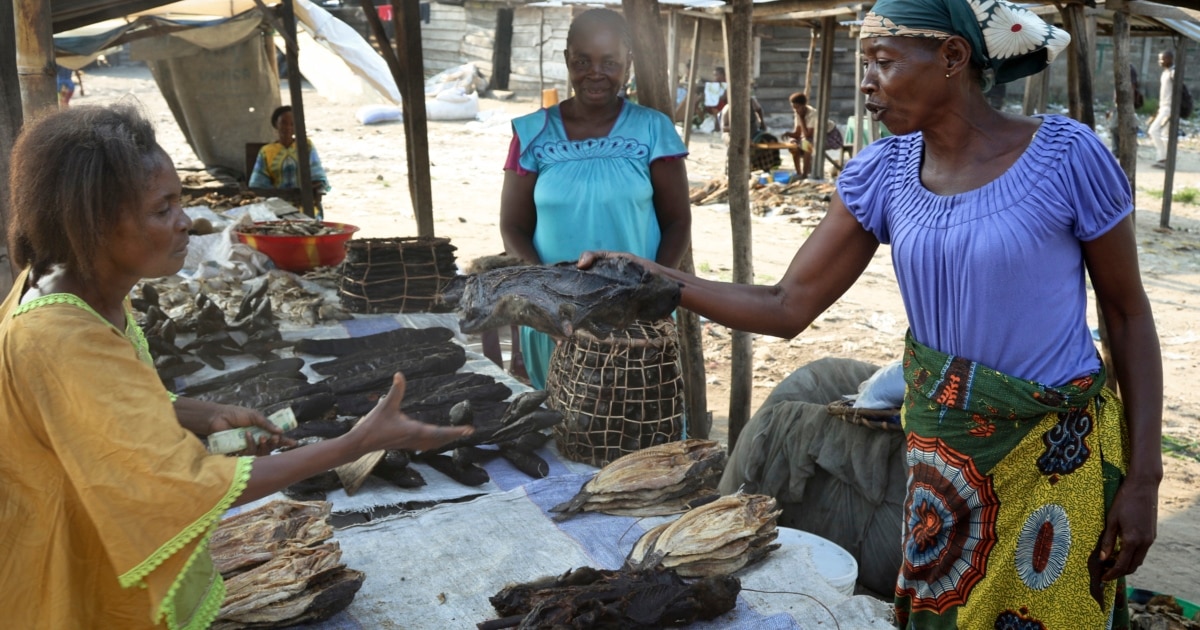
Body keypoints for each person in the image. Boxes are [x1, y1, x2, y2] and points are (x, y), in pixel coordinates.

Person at [581, 0, 1162, 626]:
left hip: (1057, 459)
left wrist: (1144, 480)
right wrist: (655, 277)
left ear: (952, 57)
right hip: (947, 465)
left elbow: (1127, 316)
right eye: (863, 64)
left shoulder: (1066, 156)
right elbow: (786, 305)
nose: (865, 82)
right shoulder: (885, 173)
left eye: (883, 62)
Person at [0, 104, 471, 629]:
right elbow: (185, 486)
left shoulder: (77, 282)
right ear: (93, 226)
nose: (187, 222)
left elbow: (91, 404)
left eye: (179, 202)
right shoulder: (61, 335)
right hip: (77, 569)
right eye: (163, 210)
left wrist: (197, 412)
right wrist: (352, 444)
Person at [499, 8, 692, 391]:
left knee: (639, 428)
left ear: (629, 64)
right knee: (559, 428)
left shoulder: (653, 130)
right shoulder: (533, 134)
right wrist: (543, 300)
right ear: (567, 60)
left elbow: (677, 222)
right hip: (556, 320)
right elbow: (513, 226)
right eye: (582, 61)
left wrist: (653, 298)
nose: (595, 73)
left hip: (635, 321)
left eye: (610, 62)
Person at [248, 105, 331, 216]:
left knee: (307, 221)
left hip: (304, 203)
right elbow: (258, 183)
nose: (288, 127)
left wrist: (314, 185)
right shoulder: (266, 151)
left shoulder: (306, 145)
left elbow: (317, 174)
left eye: (292, 124)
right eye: (283, 123)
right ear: (275, 124)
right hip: (276, 205)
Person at [781, 92, 842, 178]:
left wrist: (801, 118)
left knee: (806, 144)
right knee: (793, 144)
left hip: (829, 136)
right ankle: (798, 172)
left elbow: (807, 135)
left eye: (797, 107)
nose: (796, 110)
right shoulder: (797, 113)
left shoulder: (813, 114)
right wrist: (788, 134)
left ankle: (805, 173)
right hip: (812, 136)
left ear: (804, 105)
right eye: (794, 108)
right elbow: (798, 133)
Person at [719, 93, 781, 173]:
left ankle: (766, 167)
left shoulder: (751, 101)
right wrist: (738, 129)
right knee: (738, 144)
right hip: (733, 134)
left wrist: (762, 122)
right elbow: (724, 128)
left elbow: (759, 109)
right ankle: (735, 169)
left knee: (771, 140)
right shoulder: (727, 109)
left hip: (753, 132)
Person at [1149, 50, 1175, 169]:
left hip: (1169, 108)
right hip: (1163, 107)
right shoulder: (1166, 72)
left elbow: (1178, 91)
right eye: (1159, 59)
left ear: (1170, 59)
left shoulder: (1173, 72)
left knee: (1154, 131)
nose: (1160, 61)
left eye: (1163, 59)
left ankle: (1164, 158)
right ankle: (1165, 160)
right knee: (1164, 135)